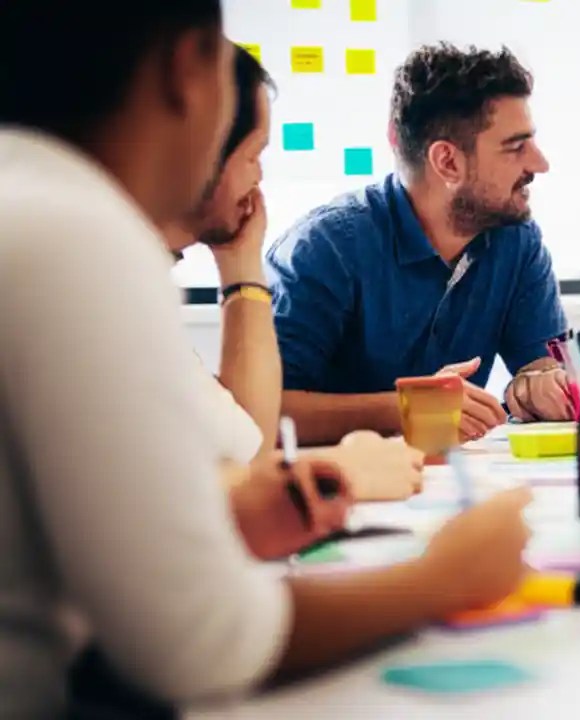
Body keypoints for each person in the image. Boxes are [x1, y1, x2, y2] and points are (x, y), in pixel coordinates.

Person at [0, 3, 532, 715]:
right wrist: (448, 575)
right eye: (252, 152)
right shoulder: (76, 235)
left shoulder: (33, 204)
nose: (255, 176)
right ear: (188, 69)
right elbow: (200, 642)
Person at [267, 42, 573, 447]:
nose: (540, 163)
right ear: (447, 162)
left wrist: (538, 385)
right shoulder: (324, 249)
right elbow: (265, 411)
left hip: (454, 484)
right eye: (516, 147)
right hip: (340, 492)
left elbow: (541, 364)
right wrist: (406, 408)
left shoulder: (516, 240)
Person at [165, 46, 424, 501]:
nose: (259, 176)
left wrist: (240, 261)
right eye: (253, 153)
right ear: (197, 150)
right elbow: (171, 499)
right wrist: (336, 474)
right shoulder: (94, 279)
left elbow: (247, 444)